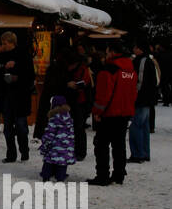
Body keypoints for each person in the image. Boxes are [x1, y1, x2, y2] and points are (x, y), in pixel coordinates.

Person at [88, 41, 138, 186]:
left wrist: (97, 112)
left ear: (112, 52)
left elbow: (103, 95)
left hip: (109, 113)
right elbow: (133, 93)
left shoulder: (108, 70)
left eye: (108, 51)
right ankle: (119, 174)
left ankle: (102, 176)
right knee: (119, 144)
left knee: (101, 144)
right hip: (125, 113)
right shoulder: (130, 70)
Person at [0, 31, 35, 163]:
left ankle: (24, 151)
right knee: (7, 127)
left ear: (12, 42)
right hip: (6, 96)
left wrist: (16, 73)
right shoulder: (1, 56)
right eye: (2, 43)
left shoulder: (24, 55)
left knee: (21, 126)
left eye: (5, 43)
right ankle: (11, 154)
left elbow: (30, 75)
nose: (3, 46)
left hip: (21, 96)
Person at [129, 41, 160, 163]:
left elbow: (140, 81)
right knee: (144, 127)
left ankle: (138, 154)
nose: (133, 49)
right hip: (148, 99)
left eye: (135, 47)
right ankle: (145, 153)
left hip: (141, 98)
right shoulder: (148, 60)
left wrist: (134, 96)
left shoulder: (142, 61)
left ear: (140, 49)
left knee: (136, 126)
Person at [64, 49, 93, 162]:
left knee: (78, 127)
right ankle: (75, 150)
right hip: (74, 100)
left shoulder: (83, 69)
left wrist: (74, 85)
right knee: (75, 127)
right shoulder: (80, 68)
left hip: (80, 101)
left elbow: (85, 84)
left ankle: (80, 152)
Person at [39, 94, 76, 181]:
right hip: (66, 148)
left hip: (54, 147)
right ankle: (60, 177)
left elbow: (49, 134)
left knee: (49, 161)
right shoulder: (69, 119)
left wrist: (45, 143)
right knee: (62, 163)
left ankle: (46, 176)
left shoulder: (54, 118)